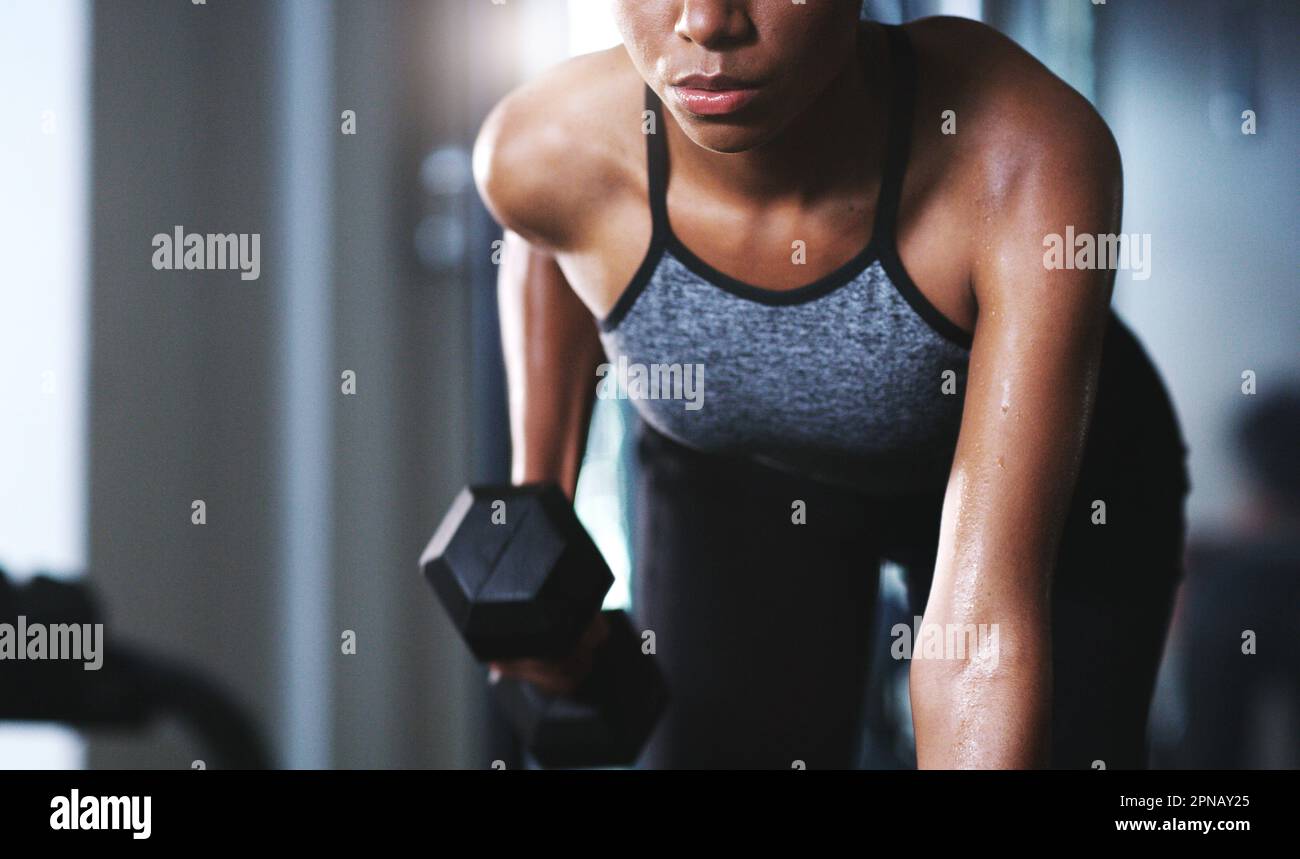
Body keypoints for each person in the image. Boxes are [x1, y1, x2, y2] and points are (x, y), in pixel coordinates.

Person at [473, 3, 1188, 768]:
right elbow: (549, 230)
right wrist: (540, 514)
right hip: (742, 463)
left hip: (1062, 489)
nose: (708, 21)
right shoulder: (538, 147)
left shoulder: (1026, 149)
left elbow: (979, 640)